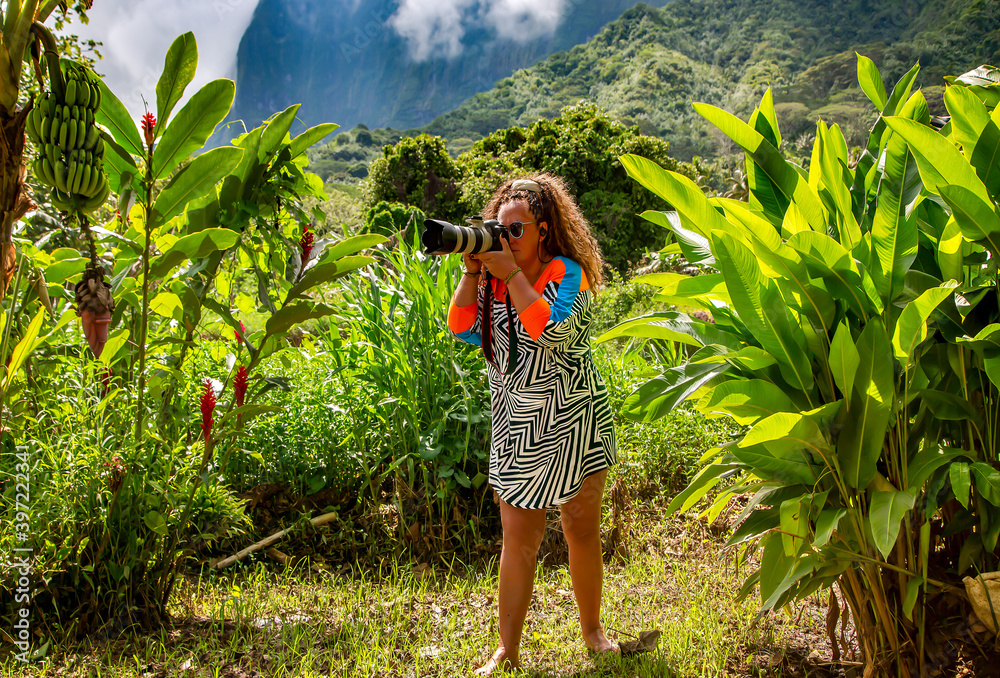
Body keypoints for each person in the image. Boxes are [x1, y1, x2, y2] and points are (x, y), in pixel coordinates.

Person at [447, 173, 619, 674]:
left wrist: (512, 275)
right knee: (518, 541)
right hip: (518, 429)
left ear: (543, 229)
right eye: (499, 231)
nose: (507, 240)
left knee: (580, 529)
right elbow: (460, 329)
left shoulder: (568, 273)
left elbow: (551, 332)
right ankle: (507, 650)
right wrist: (474, 273)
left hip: (575, 420)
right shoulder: (492, 282)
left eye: (516, 231)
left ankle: (592, 632)